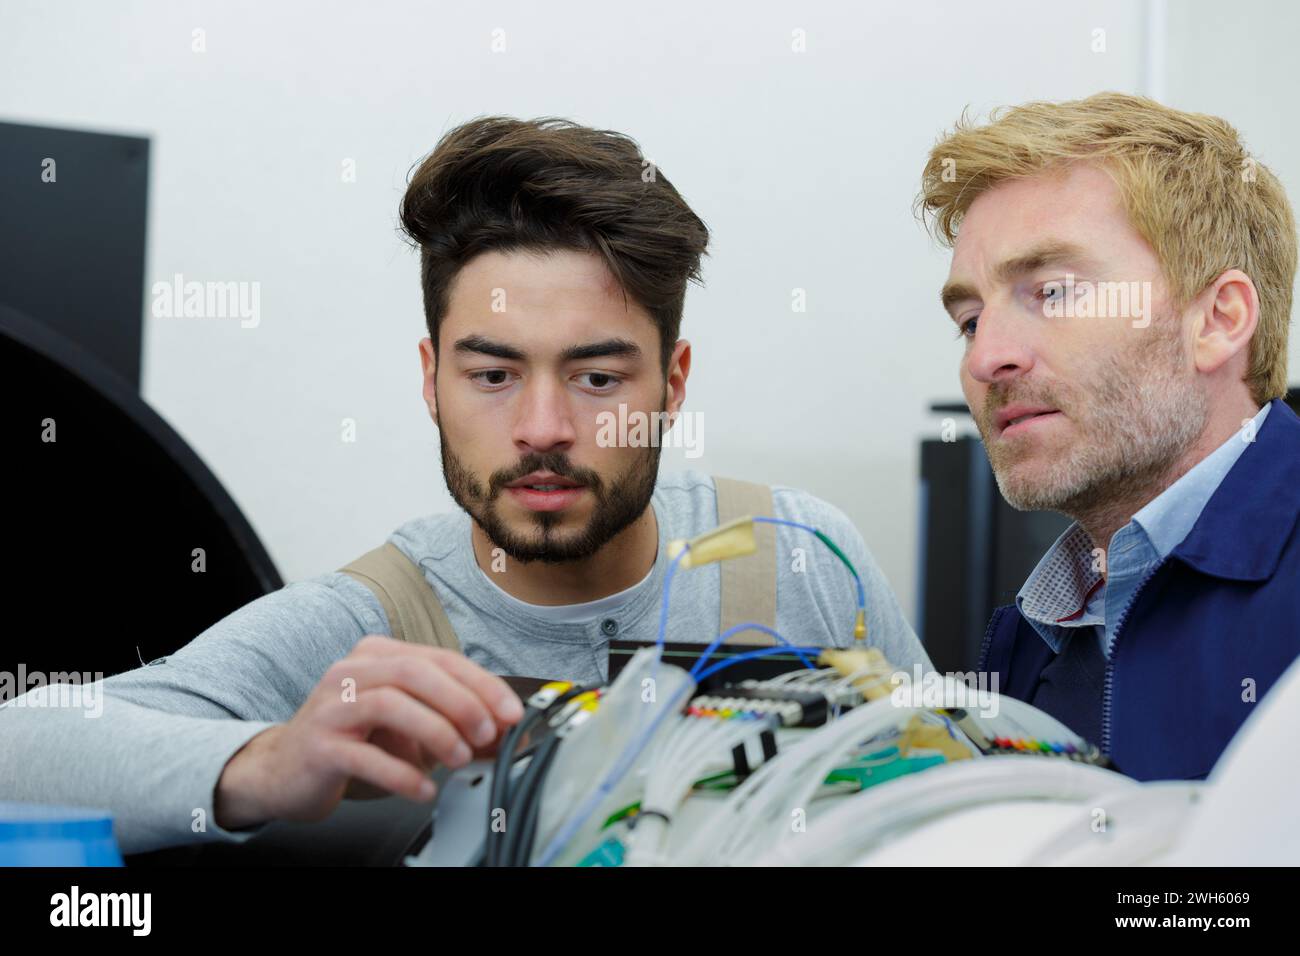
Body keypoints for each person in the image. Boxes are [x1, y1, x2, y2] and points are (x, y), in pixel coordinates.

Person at [1, 116, 928, 854]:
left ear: (673, 382)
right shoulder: (365, 630)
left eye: (597, 377)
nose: (542, 428)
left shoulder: (804, 564)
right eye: (492, 375)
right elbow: (20, 752)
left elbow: (969, 797)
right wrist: (267, 759)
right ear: (430, 376)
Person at [918, 92, 1300, 780]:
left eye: (1054, 292)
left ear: (1217, 320)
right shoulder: (1036, 632)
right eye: (970, 320)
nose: (984, 359)